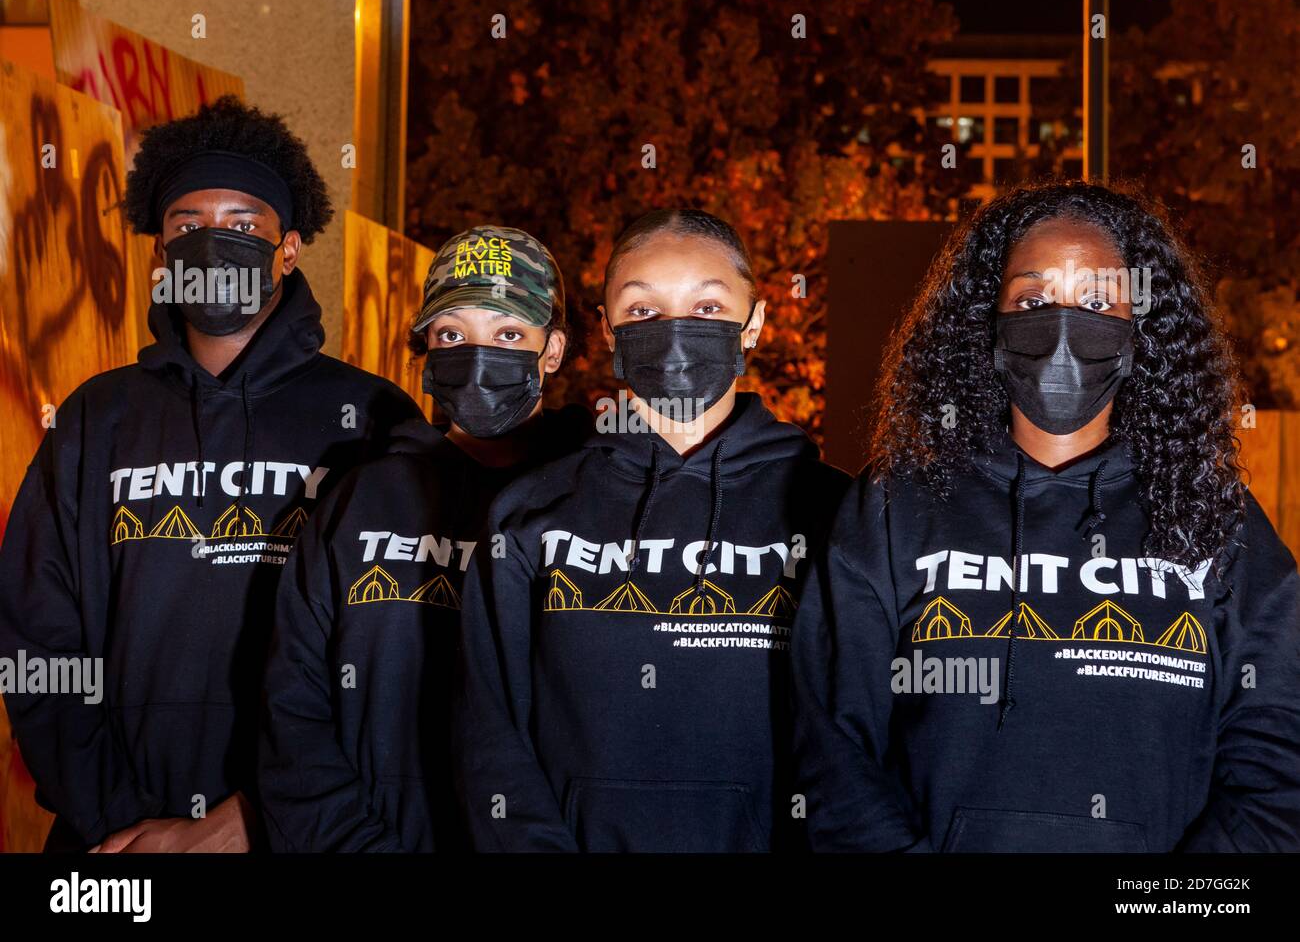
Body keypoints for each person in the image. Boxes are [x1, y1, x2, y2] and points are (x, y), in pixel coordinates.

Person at [792, 181, 1300, 852]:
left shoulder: (1219, 521)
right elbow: (831, 748)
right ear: (989, 322)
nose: (1063, 325)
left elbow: (1276, 766)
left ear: (1140, 329)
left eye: (1096, 301)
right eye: (1033, 300)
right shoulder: (894, 508)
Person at [0, 96, 422, 853]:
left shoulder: (372, 417)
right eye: (187, 227)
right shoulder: (98, 419)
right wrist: (122, 822)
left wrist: (254, 820)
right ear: (160, 257)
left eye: (242, 225)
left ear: (288, 248)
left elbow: (398, 655)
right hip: (112, 842)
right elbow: (37, 637)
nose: (212, 243)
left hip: (305, 836)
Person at [454, 208, 850, 852]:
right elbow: (490, 734)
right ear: (608, 329)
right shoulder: (532, 510)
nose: (672, 333)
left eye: (706, 306)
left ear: (753, 325)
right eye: (642, 312)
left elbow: (856, 743)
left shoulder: (835, 511)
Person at [259, 226, 589, 851]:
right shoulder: (360, 500)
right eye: (452, 333)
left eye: (509, 334)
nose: (479, 353)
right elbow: (293, 707)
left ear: (552, 351)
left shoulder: (595, 503)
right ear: (426, 349)